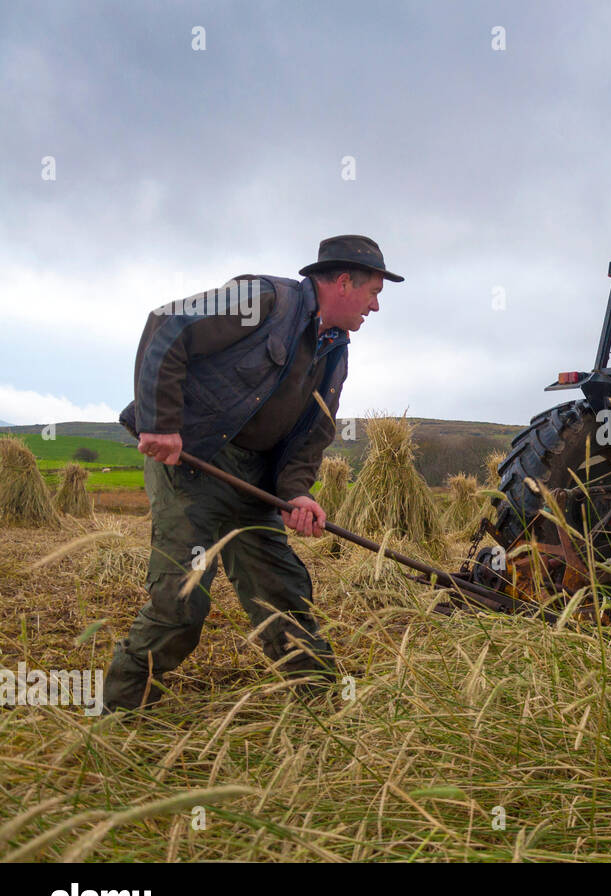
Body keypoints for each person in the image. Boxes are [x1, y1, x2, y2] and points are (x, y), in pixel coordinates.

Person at [105, 235, 403, 711]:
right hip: (192, 465)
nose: (375, 307)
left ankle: (324, 711)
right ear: (343, 282)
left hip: (254, 484)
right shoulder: (263, 299)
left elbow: (313, 434)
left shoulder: (335, 354)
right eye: (373, 294)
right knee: (181, 603)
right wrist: (160, 423)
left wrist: (297, 494)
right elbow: (170, 323)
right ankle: (117, 715)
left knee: (282, 592)